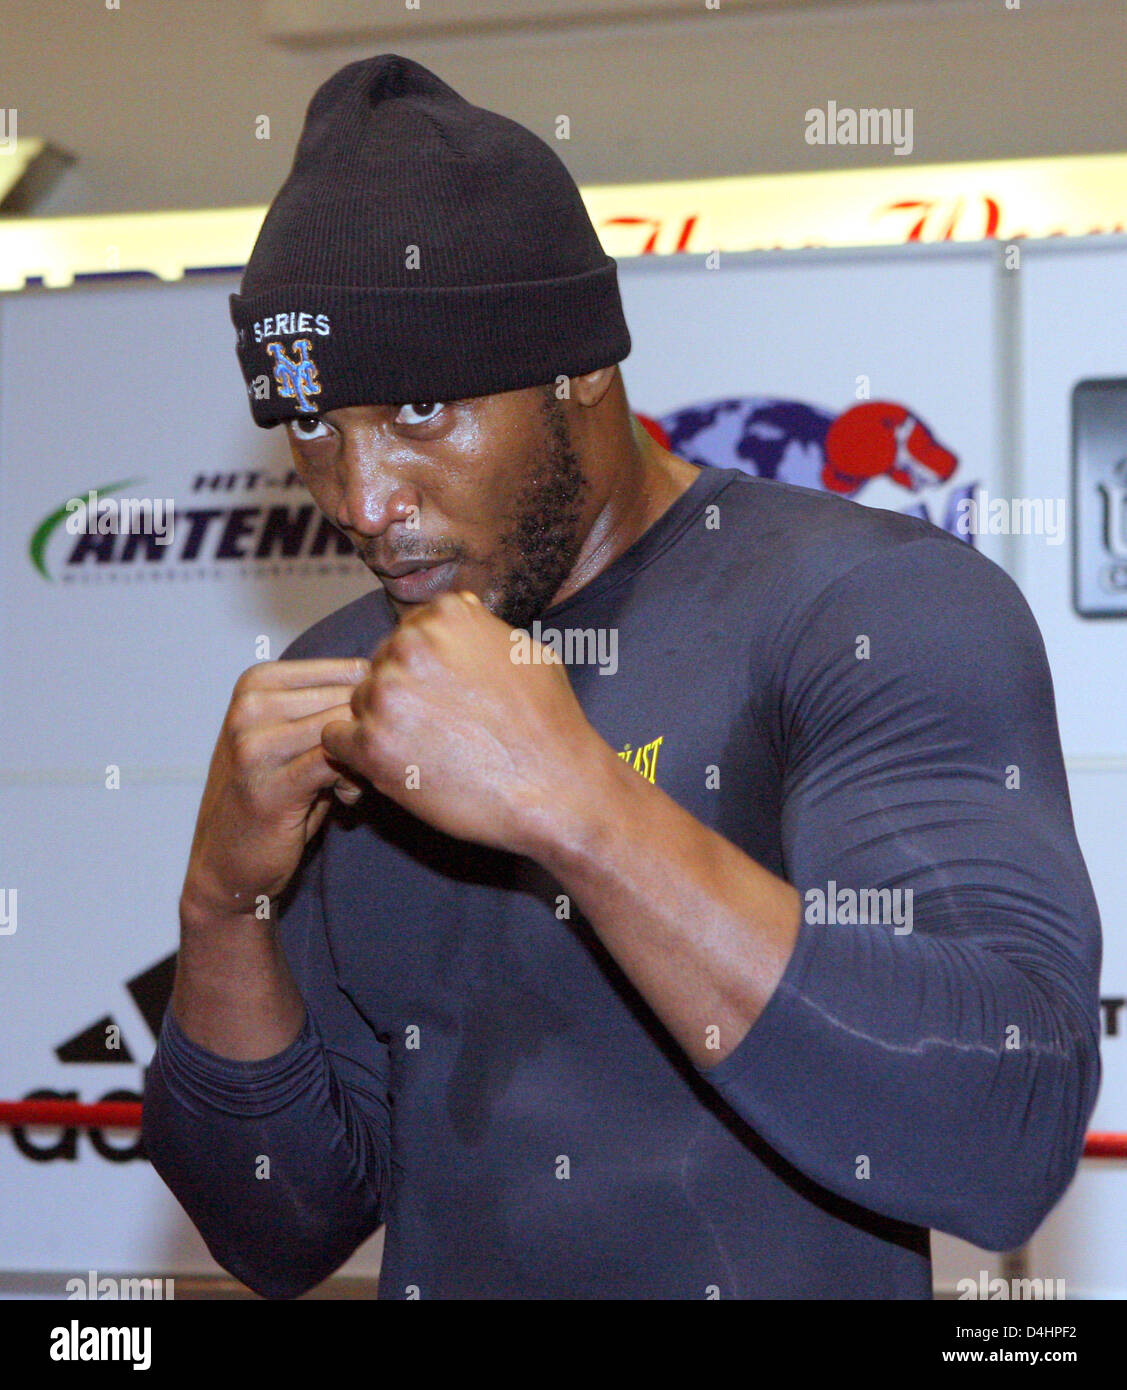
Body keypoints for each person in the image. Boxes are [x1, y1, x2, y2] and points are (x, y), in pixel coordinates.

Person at [142, 53, 1102, 1300]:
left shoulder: (865, 609)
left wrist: (579, 808)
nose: (364, 498)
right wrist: (222, 908)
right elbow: (280, 1234)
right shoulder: (349, 683)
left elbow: (1001, 1135)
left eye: (422, 410)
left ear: (579, 363)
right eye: (314, 425)